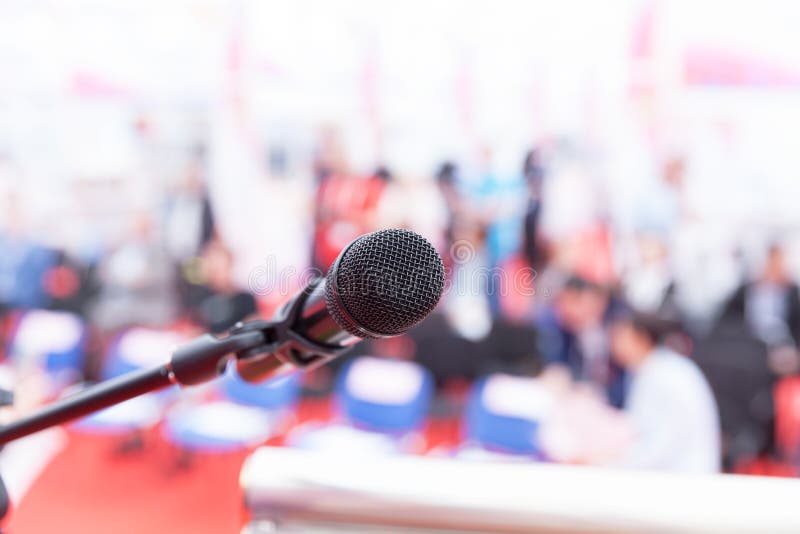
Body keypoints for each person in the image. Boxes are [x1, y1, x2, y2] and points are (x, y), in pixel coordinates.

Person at [609, 309, 721, 473]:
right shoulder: (658, 369)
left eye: (619, 337)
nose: (612, 344)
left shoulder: (663, 375)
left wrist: (613, 465)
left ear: (641, 338)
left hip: (682, 476)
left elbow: (660, 443)